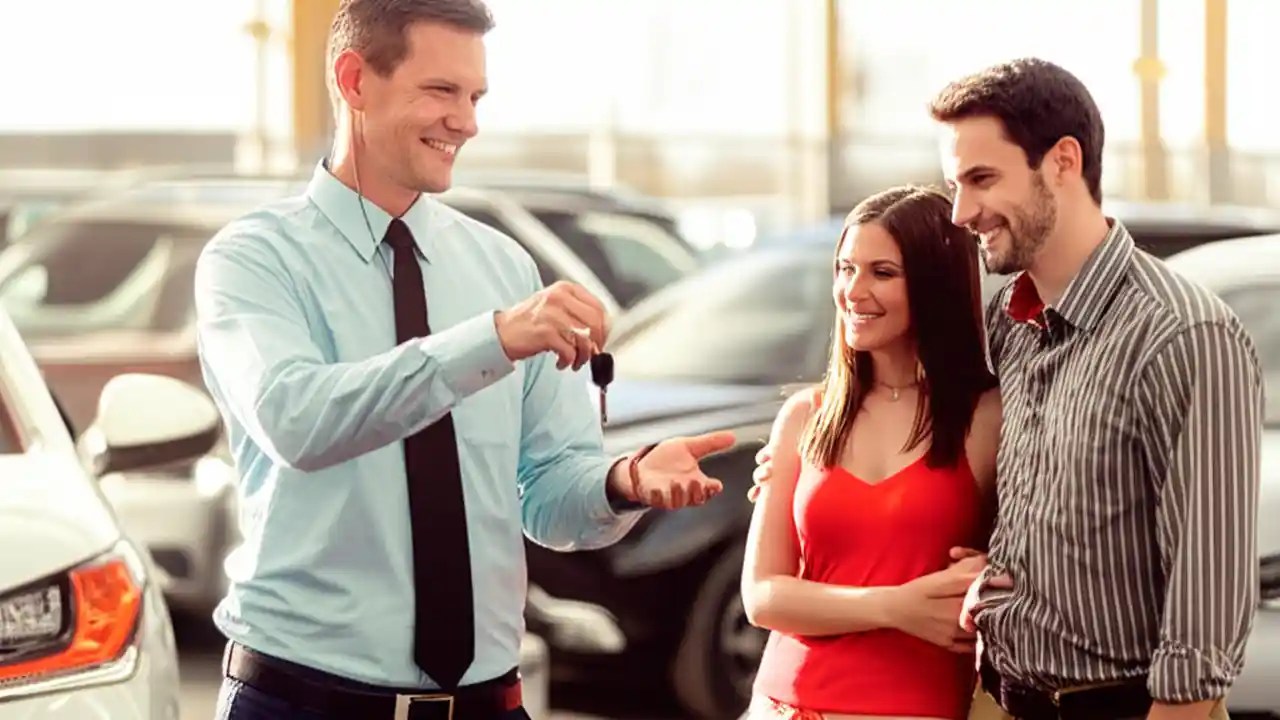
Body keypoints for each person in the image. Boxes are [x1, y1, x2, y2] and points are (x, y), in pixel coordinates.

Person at [194, 1, 733, 718]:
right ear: (353, 80)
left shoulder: (504, 267)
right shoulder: (253, 260)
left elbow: (546, 496)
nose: (467, 122)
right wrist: (491, 340)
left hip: (486, 703)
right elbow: (297, 420)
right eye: (441, 91)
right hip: (301, 701)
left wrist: (622, 481)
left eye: (474, 97)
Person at [755, 58, 1264, 720]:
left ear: (1062, 161)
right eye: (953, 184)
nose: (961, 212)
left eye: (981, 180)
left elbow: (1208, 604)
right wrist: (793, 468)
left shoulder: (1184, 335)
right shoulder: (1010, 326)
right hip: (1000, 701)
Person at [740, 185, 1003, 720]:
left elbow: (1034, 554)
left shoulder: (987, 417)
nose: (853, 291)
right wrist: (896, 606)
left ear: (935, 284)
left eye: (883, 273)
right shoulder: (804, 417)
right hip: (783, 704)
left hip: (916, 707)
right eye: (845, 268)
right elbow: (762, 595)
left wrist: (991, 573)